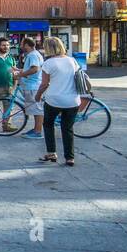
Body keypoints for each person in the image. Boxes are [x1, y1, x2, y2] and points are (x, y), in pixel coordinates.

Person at [35, 37, 81, 167]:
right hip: (72, 100)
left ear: (48, 48)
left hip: (54, 100)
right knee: (67, 128)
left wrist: (38, 95)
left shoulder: (48, 63)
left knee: (48, 125)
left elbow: (44, 84)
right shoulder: (72, 61)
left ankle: (51, 153)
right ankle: (70, 158)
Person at [15, 39, 46, 138]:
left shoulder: (32, 55)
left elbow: (34, 69)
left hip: (33, 86)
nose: (20, 46)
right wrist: (19, 70)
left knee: (37, 109)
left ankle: (37, 132)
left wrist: (20, 75)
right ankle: (36, 129)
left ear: (27, 45)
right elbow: (32, 68)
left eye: (21, 44)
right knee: (35, 108)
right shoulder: (34, 54)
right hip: (32, 85)